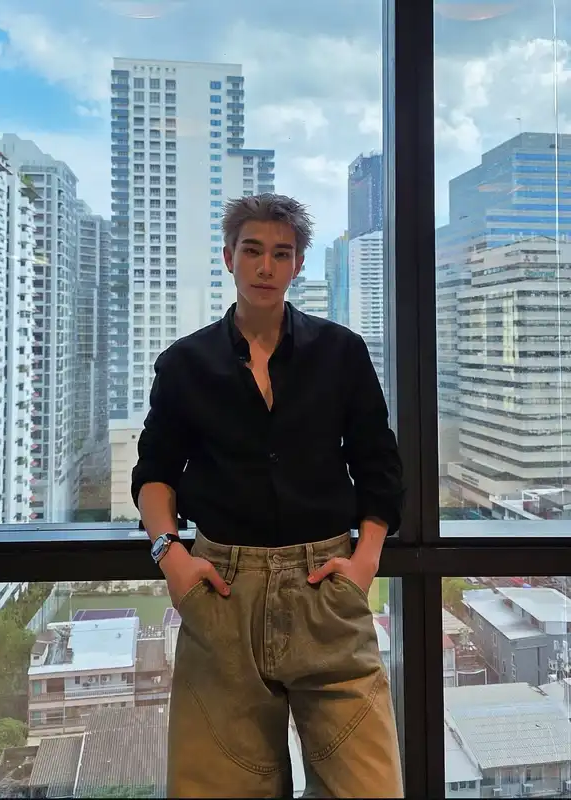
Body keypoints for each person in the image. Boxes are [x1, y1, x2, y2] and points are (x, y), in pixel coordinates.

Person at [131, 193, 404, 798]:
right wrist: (170, 557)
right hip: (223, 596)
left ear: (298, 264)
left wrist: (365, 561)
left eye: (281, 254)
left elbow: (379, 466)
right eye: (252, 250)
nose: (265, 266)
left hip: (325, 593)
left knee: (369, 786)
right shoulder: (185, 363)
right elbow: (154, 474)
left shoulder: (342, 352)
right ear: (229, 256)